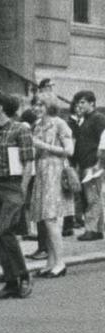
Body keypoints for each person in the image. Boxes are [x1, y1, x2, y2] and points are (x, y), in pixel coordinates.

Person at [0, 93, 36, 301]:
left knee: (5, 230)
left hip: (13, 186)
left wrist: (21, 190)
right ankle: (11, 282)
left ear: (1, 108)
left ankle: (23, 275)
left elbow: (29, 161)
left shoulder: (20, 129)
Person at [29, 102, 73, 279]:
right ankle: (51, 262)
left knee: (51, 218)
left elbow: (69, 150)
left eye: (41, 104)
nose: (37, 107)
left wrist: (42, 145)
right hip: (41, 172)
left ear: (50, 105)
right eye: (35, 104)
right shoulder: (37, 125)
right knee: (45, 218)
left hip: (54, 172)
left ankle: (60, 262)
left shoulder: (60, 123)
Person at [71, 90, 105, 241]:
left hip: (93, 164)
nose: (80, 105)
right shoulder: (85, 119)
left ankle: (92, 229)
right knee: (90, 196)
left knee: (93, 197)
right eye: (78, 102)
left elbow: (102, 142)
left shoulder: (98, 119)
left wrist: (99, 163)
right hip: (85, 162)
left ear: (92, 103)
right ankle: (96, 229)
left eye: (83, 102)